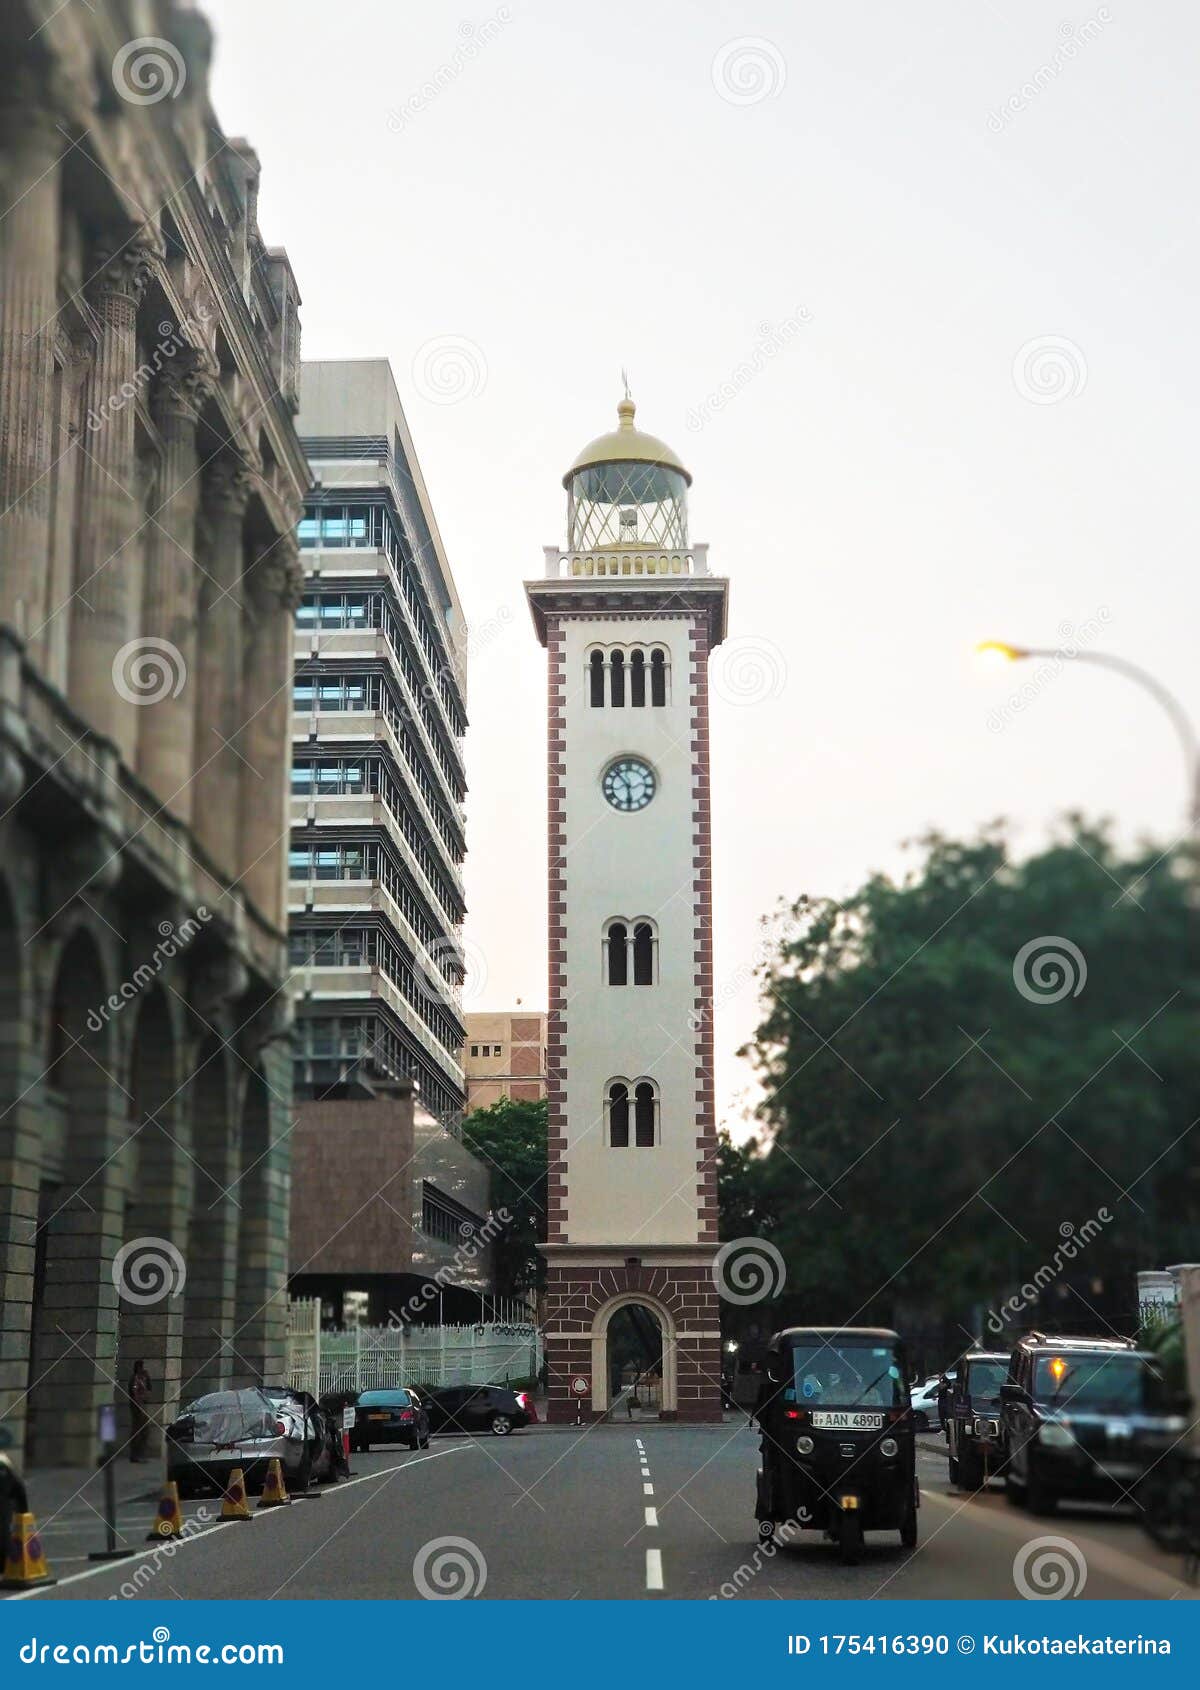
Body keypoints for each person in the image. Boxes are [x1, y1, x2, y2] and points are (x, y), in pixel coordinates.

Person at [128, 1359, 152, 1463]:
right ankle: (135, 1455)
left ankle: (140, 1454)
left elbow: (149, 1389)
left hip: (142, 1406)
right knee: (138, 1431)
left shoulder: (144, 1378)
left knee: (144, 1431)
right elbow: (133, 1392)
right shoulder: (135, 1378)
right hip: (137, 1407)